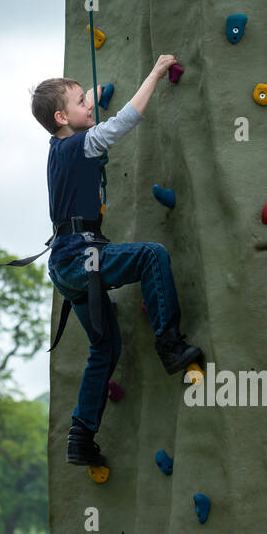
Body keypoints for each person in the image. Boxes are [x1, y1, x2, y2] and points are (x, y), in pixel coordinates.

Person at [30, 54, 202, 467]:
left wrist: (88, 101)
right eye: (80, 102)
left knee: (105, 346)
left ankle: (81, 435)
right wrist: (157, 72)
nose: (89, 104)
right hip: (81, 257)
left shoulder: (60, 148)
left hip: (68, 265)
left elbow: (85, 117)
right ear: (61, 116)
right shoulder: (78, 144)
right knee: (150, 255)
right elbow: (127, 119)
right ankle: (170, 345)